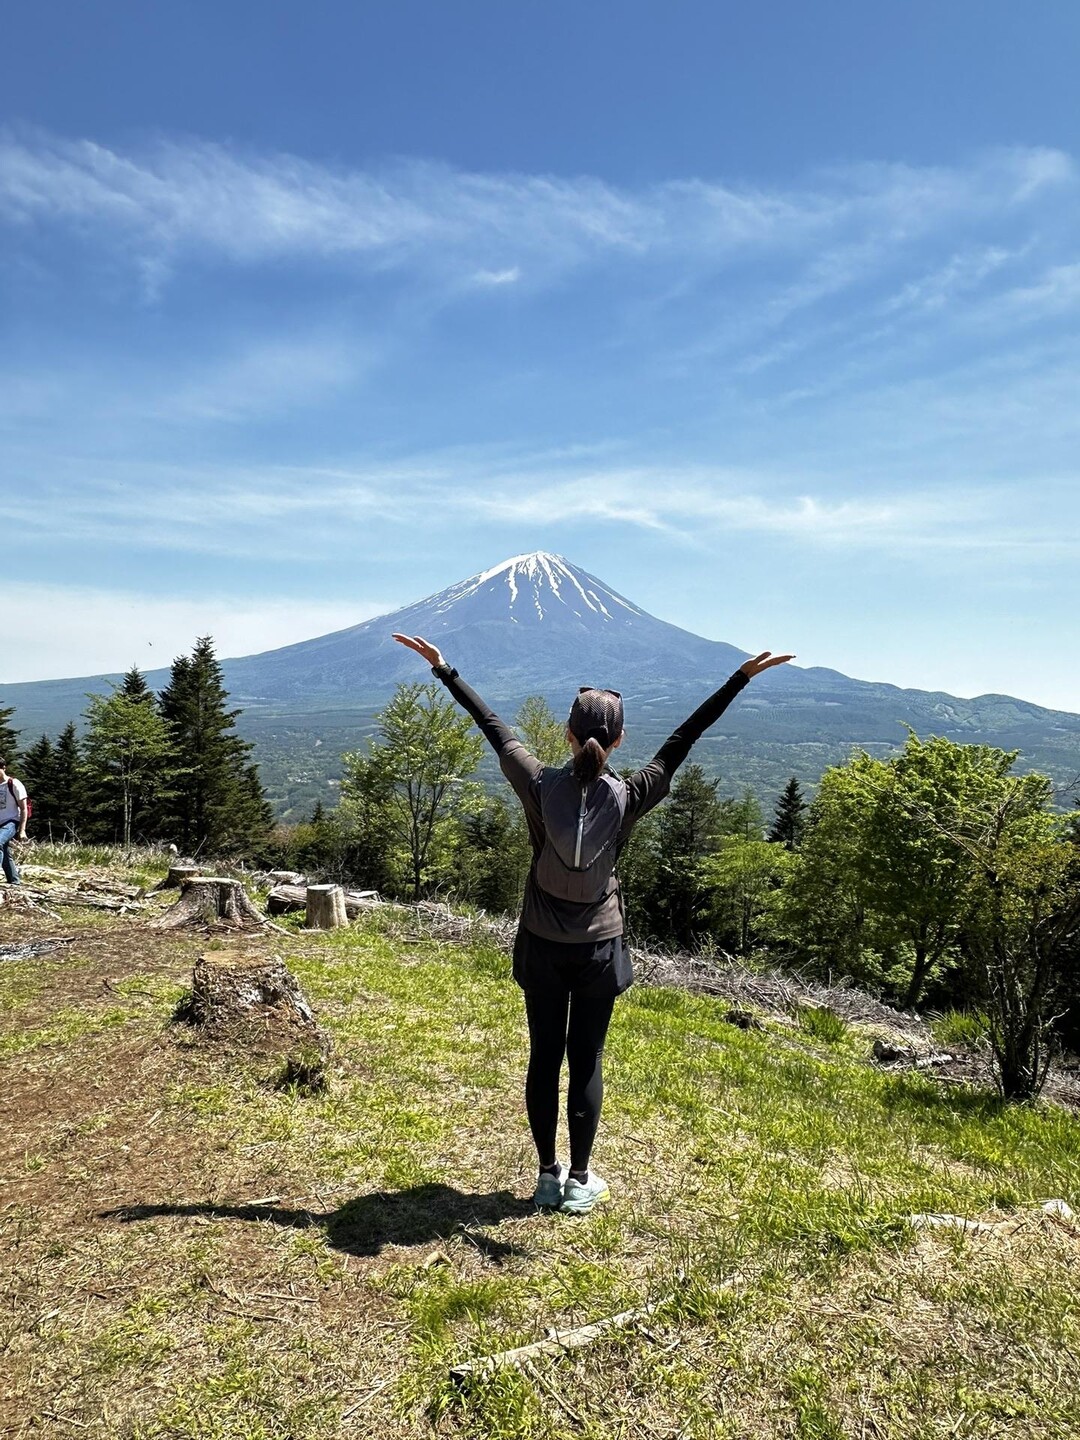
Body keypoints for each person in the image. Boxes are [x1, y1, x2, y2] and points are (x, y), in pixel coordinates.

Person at [392, 633, 793, 1213]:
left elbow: (494, 726)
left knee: (543, 1056)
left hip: (541, 943)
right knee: (587, 1059)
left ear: (567, 734)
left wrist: (445, 670)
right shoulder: (631, 795)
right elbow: (684, 738)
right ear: (620, 739)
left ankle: (547, 1176)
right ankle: (581, 1179)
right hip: (599, 947)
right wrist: (739, 679)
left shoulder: (537, 783)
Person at [0, 759, 29, 886]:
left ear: (3, 768)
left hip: (11, 821)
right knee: (4, 850)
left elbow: (23, 808)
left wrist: (22, 830)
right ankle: (14, 881)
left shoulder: (14, 784)